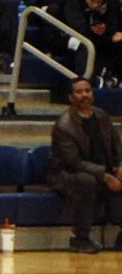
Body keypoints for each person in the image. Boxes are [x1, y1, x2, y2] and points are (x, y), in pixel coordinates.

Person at [50, 76, 122, 253]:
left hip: (104, 170)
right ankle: (80, 238)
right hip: (67, 174)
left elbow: (117, 145)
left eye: (87, 91)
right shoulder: (64, 125)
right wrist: (105, 176)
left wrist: (120, 165)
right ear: (71, 97)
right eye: (79, 92)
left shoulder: (101, 116)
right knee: (86, 180)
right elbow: (73, 162)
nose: (84, 95)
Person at [62, 0, 122, 85]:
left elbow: (114, 25)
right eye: (92, 0)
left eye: (99, 2)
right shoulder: (74, 0)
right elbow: (78, 27)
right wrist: (102, 34)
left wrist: (106, 31)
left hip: (100, 37)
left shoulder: (111, 1)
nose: (95, 5)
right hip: (72, 36)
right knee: (86, 44)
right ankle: (86, 82)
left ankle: (114, 78)